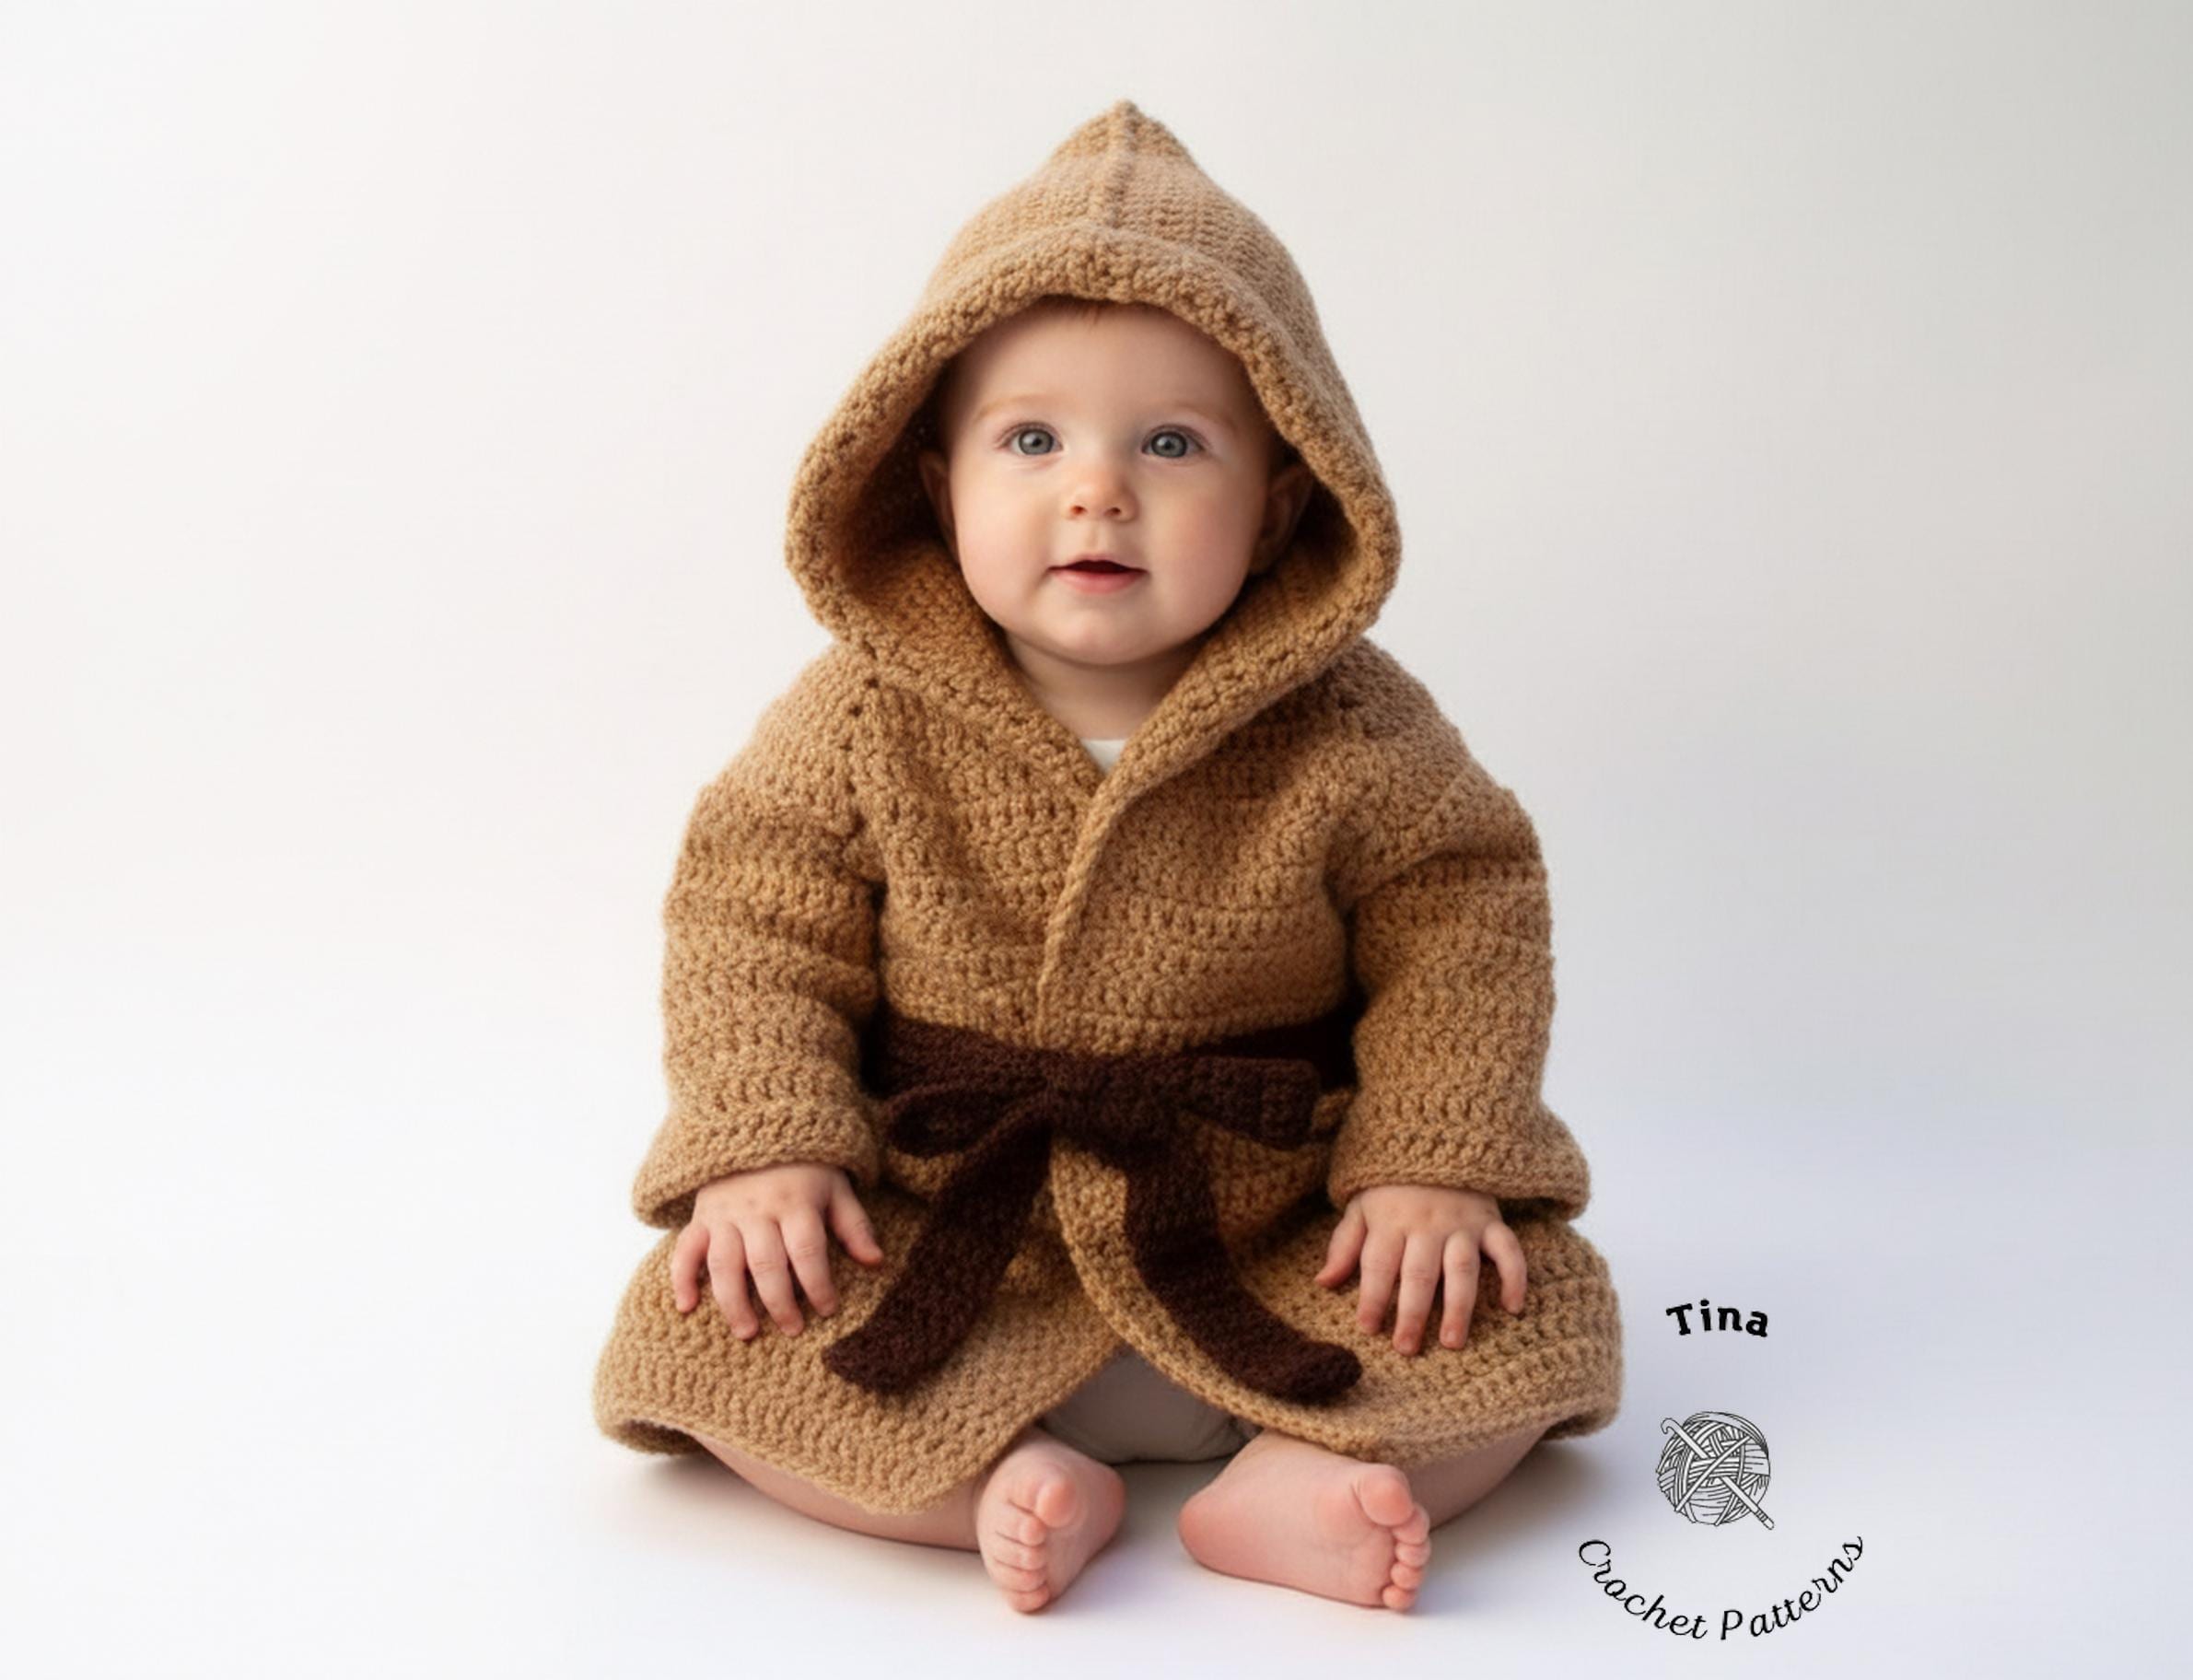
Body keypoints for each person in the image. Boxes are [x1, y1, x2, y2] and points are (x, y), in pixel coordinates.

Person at [592, 99, 1624, 1615]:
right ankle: (991, 1486)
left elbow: (1463, 916)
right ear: (933, 486)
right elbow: (754, 922)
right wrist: (768, 1145)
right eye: (1032, 440)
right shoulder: (862, 715)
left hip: (1272, 1235)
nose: (1099, 490)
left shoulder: (1350, 725)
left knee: (1523, 1313)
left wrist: (1429, 1164)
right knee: (708, 1322)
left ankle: (1292, 1479)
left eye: (1172, 443)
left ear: (1281, 506)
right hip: (953, 1240)